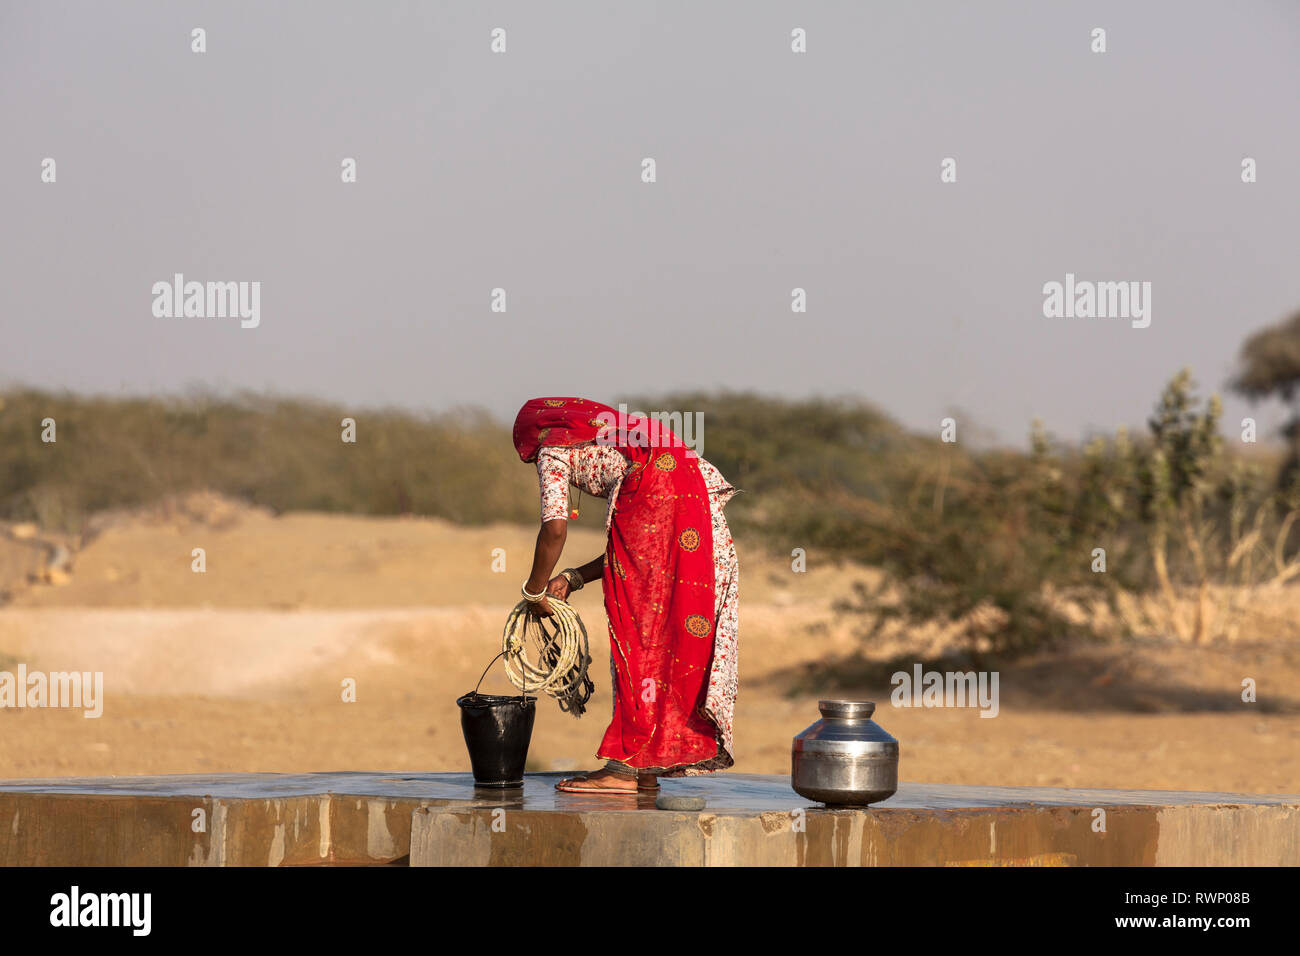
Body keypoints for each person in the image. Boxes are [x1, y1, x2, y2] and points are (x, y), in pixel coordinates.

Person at [512, 397, 740, 793]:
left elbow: (555, 530)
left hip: (653, 488)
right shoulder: (630, 434)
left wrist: (533, 591)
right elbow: (637, 549)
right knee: (670, 628)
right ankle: (646, 764)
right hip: (693, 486)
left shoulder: (553, 445)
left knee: (639, 629)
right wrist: (574, 578)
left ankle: (624, 768)